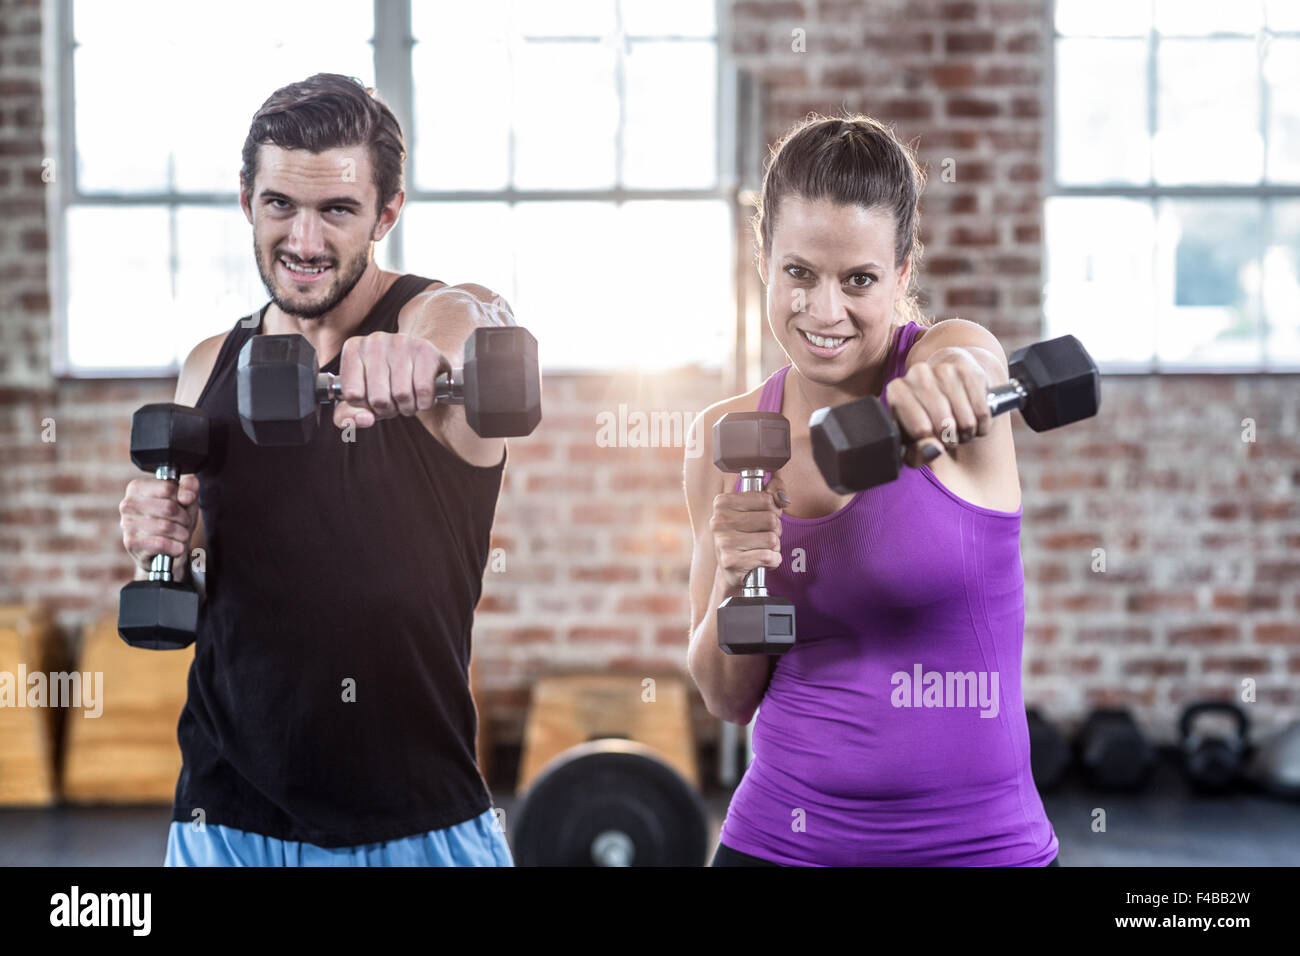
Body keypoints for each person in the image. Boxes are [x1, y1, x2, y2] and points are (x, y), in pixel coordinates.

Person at [117, 73, 514, 866]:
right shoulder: (208, 367)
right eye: (279, 206)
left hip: (417, 825)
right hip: (223, 820)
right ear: (246, 200)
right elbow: (214, 591)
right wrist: (162, 545)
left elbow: (478, 315)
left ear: (387, 213)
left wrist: (427, 354)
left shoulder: (433, 348)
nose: (302, 241)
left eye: (337, 210)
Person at [685, 114, 1060, 866]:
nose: (826, 312)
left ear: (902, 270)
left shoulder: (954, 384)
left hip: (978, 850)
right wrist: (735, 582)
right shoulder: (728, 436)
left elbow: (973, 358)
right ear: (763, 259)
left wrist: (943, 390)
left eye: (858, 280)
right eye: (800, 273)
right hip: (778, 844)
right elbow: (727, 700)